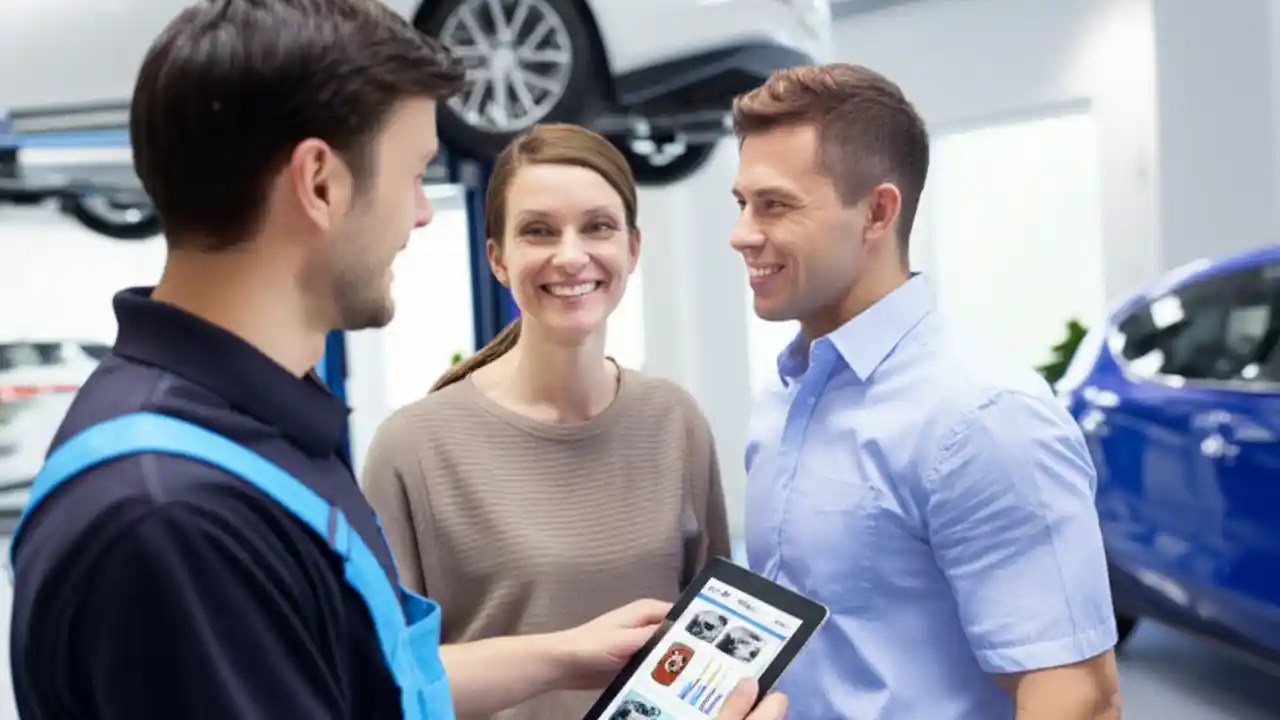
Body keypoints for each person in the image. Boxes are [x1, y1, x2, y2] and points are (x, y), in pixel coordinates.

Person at [6, 2, 784, 719]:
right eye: (413, 174)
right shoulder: (176, 516)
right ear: (320, 183)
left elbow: (374, 681)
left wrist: (563, 656)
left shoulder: (260, 442)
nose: (418, 215)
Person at [730, 63, 1124, 719]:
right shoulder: (787, 393)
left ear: (877, 212)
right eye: (741, 203)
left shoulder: (983, 419)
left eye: (774, 204)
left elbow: (1078, 696)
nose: (742, 233)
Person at [361, 122, 732, 720]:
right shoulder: (414, 448)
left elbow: (711, 649)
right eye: (538, 231)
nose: (570, 255)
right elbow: (380, 677)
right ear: (498, 259)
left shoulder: (675, 422)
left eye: (597, 227)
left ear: (632, 249)